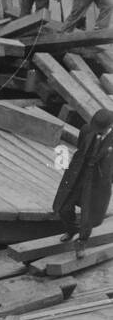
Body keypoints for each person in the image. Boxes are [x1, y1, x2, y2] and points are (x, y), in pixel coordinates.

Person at [53, 108, 113, 257]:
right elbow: (81, 149)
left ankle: (81, 242)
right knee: (64, 207)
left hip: (98, 181)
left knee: (89, 214)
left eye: (101, 130)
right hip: (78, 174)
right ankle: (72, 229)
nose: (97, 132)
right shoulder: (86, 130)